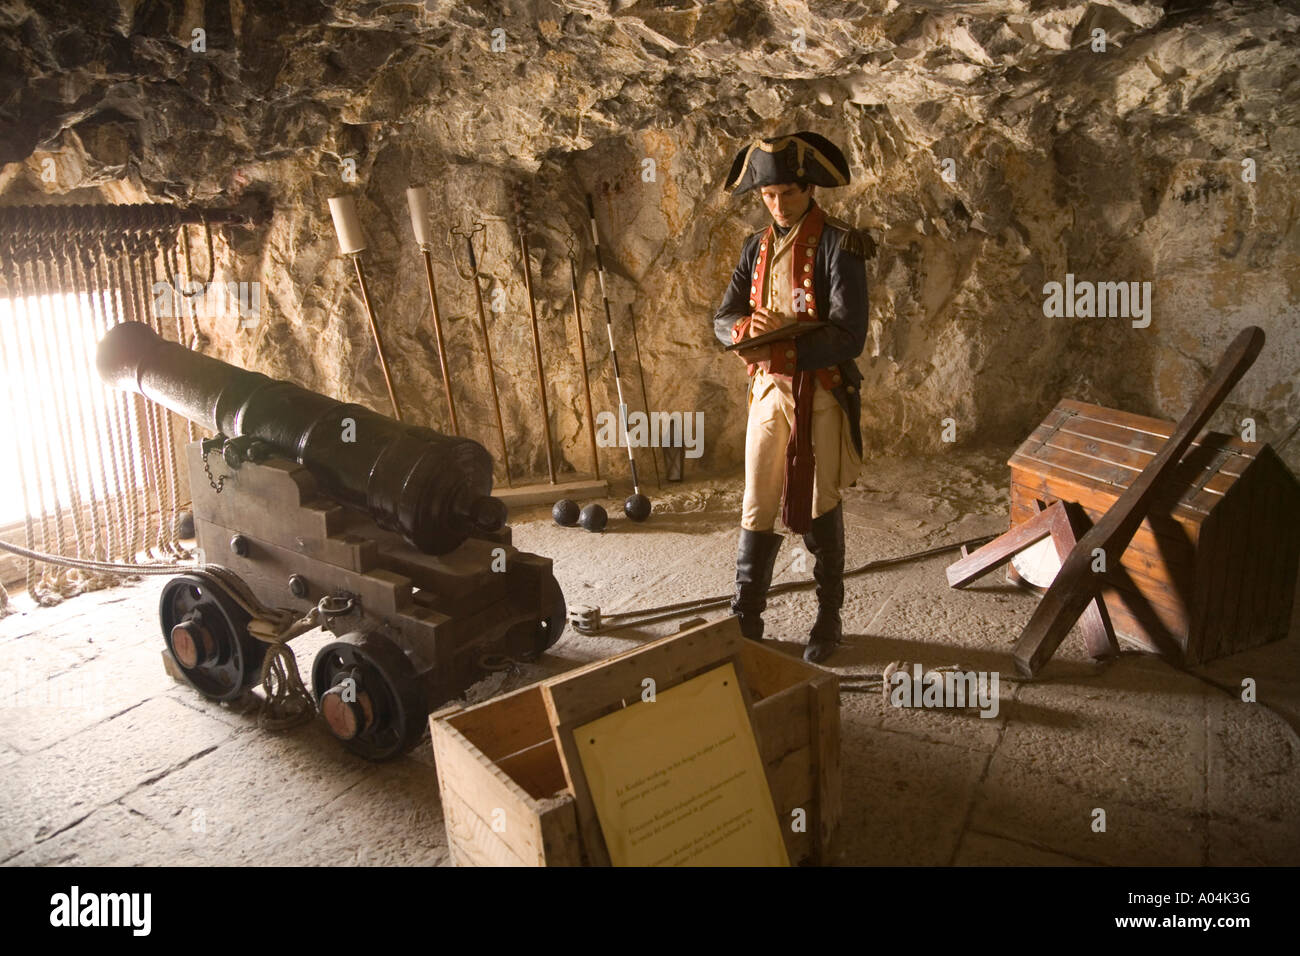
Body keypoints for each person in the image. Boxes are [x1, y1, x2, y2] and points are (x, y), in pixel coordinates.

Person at [712, 131, 870, 663]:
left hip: (819, 392)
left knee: (821, 498)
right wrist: (747, 328)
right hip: (767, 390)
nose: (778, 205)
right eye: (769, 196)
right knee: (757, 495)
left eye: (788, 194)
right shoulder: (754, 246)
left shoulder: (840, 243)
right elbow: (723, 316)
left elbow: (850, 334)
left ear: (809, 190)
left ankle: (829, 618)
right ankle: (746, 613)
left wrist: (787, 340)